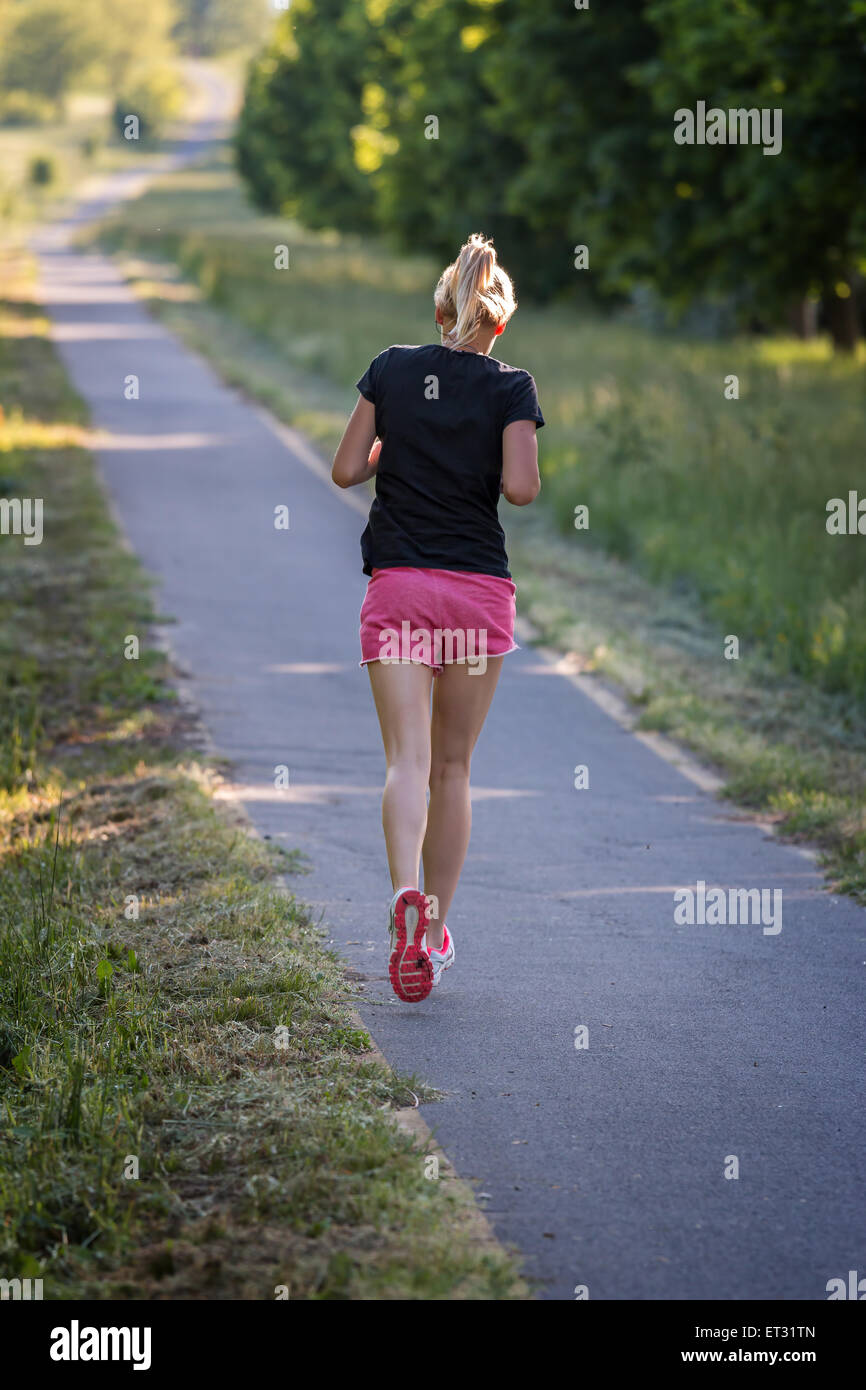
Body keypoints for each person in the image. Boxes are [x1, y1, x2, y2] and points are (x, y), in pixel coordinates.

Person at [331, 233, 544, 1002]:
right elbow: (520, 491)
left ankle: (401, 895)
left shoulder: (389, 368)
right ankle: (438, 928)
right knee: (454, 769)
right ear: (500, 325)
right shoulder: (510, 388)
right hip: (475, 597)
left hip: (399, 591)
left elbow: (347, 469)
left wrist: (401, 443)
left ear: (437, 310)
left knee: (406, 764)